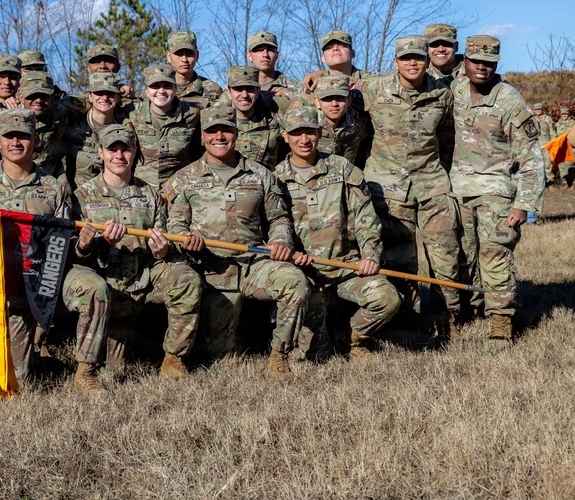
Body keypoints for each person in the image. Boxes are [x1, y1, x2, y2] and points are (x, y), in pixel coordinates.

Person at [0, 109, 109, 393]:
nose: (16, 142)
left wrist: (83, 244)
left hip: (49, 274)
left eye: (23, 136)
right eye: (9, 136)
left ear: (35, 141)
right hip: (8, 286)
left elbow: (68, 242)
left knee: (94, 287)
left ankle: (86, 373)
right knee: (14, 382)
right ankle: (35, 356)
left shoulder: (55, 188)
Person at [166, 107, 309, 378]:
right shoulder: (184, 179)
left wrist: (280, 241)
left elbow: (279, 218)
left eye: (226, 130)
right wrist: (186, 240)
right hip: (212, 270)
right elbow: (175, 224)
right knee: (222, 357)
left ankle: (280, 355)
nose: (219, 136)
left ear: (236, 133)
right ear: (202, 136)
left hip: (254, 264)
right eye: (212, 131)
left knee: (295, 282)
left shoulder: (261, 175)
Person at [71, 124, 201, 378]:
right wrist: (91, 245)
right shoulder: (82, 197)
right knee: (114, 367)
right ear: (100, 152)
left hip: (143, 280)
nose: (119, 156)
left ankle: (174, 359)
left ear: (135, 152)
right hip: (104, 286)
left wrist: (162, 251)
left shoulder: (150, 194)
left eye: (126, 149)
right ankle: (87, 367)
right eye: (112, 149)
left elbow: (167, 244)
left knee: (187, 279)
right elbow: (75, 257)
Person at [275, 106, 399, 359]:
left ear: (320, 133)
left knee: (387, 299)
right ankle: (323, 337)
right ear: (285, 136)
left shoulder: (341, 168)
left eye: (310, 132)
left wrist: (370, 255)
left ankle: (352, 340)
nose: (304, 139)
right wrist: (291, 258)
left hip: (345, 267)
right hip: (305, 273)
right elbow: (276, 226)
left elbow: (365, 217)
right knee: (312, 356)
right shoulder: (274, 179)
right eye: (296, 133)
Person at [359, 35, 461, 338]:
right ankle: (407, 320)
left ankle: (448, 317)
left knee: (445, 254)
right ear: (395, 62)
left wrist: (439, 173)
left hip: (431, 184)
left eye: (418, 58)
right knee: (400, 258)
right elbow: (339, 87)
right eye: (406, 58)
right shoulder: (374, 89)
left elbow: (446, 137)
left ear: (427, 61)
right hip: (388, 186)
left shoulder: (442, 95)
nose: (412, 63)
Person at [450, 36, 545, 342]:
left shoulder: (509, 101)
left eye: (489, 63)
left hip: (498, 191)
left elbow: (531, 155)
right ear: (464, 62)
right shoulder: (455, 89)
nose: (483, 68)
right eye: (477, 61)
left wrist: (524, 203)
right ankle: (472, 308)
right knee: (464, 254)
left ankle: (501, 320)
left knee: (495, 252)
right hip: (459, 188)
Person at [129, 65, 201, 188]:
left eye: (167, 86)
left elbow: (219, 111)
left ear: (175, 88)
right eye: (155, 86)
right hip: (142, 187)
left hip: (180, 186)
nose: (161, 91)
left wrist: (227, 95)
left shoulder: (192, 113)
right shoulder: (132, 112)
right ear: (146, 90)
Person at [64, 72, 133, 189]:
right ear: (90, 96)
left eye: (110, 93)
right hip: (79, 199)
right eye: (99, 93)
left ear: (117, 97)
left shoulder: (127, 130)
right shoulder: (71, 127)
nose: (105, 97)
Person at [221, 65, 293, 169]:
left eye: (250, 89)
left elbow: (310, 104)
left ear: (258, 91)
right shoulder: (219, 122)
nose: (244, 95)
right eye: (238, 89)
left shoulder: (273, 114)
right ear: (228, 92)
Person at [310, 74, 371, 166]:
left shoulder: (358, 124)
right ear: (317, 102)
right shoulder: (308, 126)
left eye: (340, 97)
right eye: (327, 98)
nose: (334, 104)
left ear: (349, 100)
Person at [165, 31, 222, 108]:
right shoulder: (159, 89)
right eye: (179, 53)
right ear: (168, 56)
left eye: (189, 53)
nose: (184, 59)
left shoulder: (213, 90)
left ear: (197, 56)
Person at [245, 31, 305, 98]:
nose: (265, 54)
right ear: (249, 56)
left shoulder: (296, 88)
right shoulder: (239, 88)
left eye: (270, 50)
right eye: (259, 50)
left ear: (277, 55)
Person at [532, 103, 557, 185]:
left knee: (548, 164)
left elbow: (552, 132)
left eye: (539, 109)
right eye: (536, 109)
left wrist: (552, 144)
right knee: (536, 165)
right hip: (535, 145)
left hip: (546, 145)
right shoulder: (532, 119)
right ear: (534, 110)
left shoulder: (548, 119)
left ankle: (550, 182)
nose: (538, 111)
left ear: (542, 110)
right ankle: (538, 182)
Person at [556, 108, 575, 187]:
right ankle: (565, 183)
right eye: (563, 114)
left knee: (571, 165)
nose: (564, 116)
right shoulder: (558, 124)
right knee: (562, 165)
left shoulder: (574, 123)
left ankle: (573, 184)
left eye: (566, 114)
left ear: (568, 115)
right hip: (562, 147)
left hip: (571, 147)